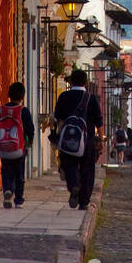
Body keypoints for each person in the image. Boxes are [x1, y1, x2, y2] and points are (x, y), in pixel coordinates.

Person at [52, 70, 104, 210]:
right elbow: (99, 122)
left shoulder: (64, 96)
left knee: (69, 165)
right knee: (87, 169)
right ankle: (83, 201)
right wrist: (100, 140)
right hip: (87, 140)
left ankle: (74, 185)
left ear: (71, 82)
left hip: (68, 138)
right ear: (86, 82)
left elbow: (58, 117)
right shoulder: (91, 98)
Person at [0, 82, 33, 208]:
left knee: (6, 171)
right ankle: (19, 200)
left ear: (9, 95)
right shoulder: (23, 111)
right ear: (22, 96)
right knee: (19, 174)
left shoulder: (1, 110)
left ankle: (7, 190)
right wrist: (29, 141)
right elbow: (30, 129)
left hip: (4, 148)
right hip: (19, 148)